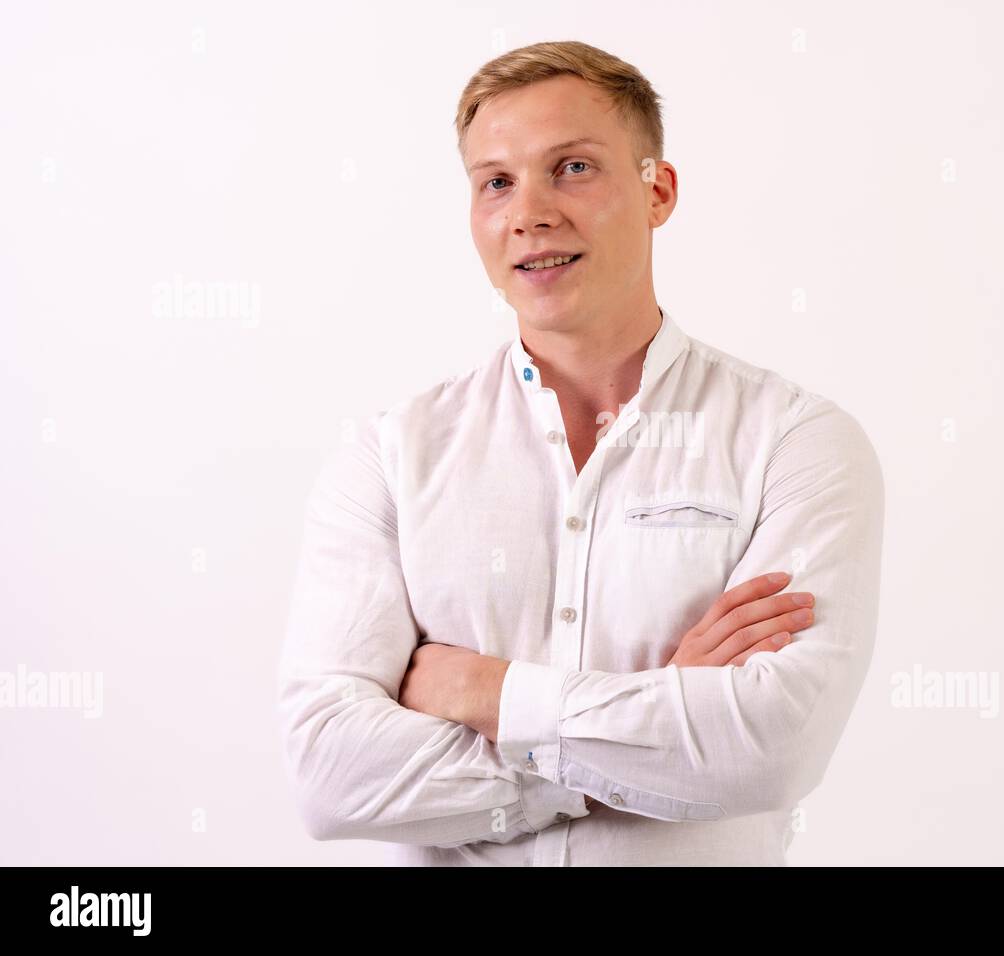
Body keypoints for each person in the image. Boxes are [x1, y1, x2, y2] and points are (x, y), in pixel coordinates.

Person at [277, 40, 885, 866]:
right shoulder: (389, 456)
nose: (529, 212)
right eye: (496, 181)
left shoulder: (794, 442)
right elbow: (327, 774)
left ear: (657, 190)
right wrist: (648, 725)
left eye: (571, 168)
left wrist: (486, 694)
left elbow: (774, 747)